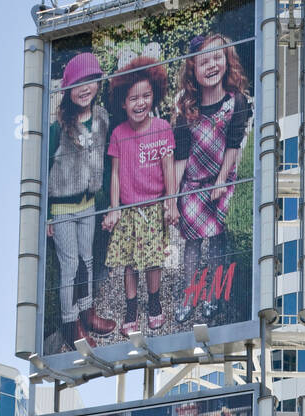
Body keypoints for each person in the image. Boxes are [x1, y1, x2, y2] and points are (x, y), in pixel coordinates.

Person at [174, 34, 252, 327]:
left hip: (222, 182)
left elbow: (233, 144)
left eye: (217, 57)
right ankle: (189, 296)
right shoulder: (184, 105)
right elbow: (180, 152)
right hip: (193, 185)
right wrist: (173, 197)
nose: (211, 65)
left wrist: (221, 181)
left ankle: (215, 296)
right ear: (192, 67)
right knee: (192, 245)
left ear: (227, 60)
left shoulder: (236, 102)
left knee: (218, 241)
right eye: (204, 61)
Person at [104, 56, 178, 336]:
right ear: (123, 102)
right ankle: (131, 308)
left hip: (154, 206)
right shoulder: (118, 134)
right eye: (133, 98)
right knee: (130, 262)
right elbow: (115, 174)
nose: (140, 103)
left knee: (153, 259)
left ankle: (155, 303)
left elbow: (168, 169)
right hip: (129, 209)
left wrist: (170, 204)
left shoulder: (162, 129)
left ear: (154, 95)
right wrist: (114, 208)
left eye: (146, 96)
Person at [47, 51, 115, 350]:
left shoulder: (102, 118)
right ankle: (70, 323)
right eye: (78, 84)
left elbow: (107, 158)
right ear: (68, 90)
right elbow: (44, 170)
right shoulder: (57, 129)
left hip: (88, 202)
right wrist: (48, 214)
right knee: (70, 265)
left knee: (87, 259)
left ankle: (87, 312)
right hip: (63, 206)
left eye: (90, 81)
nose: (85, 88)